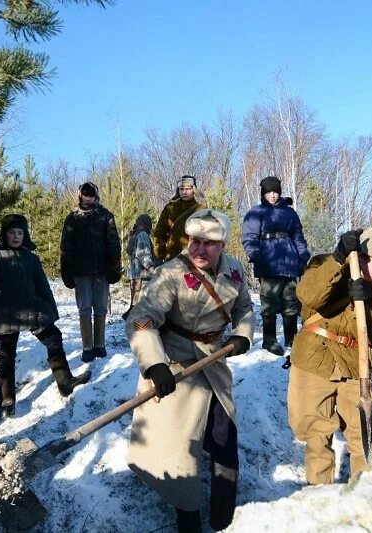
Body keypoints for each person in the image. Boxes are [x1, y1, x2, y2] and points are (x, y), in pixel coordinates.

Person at [125, 209, 255, 533]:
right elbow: (141, 318)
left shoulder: (235, 271)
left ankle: (224, 517)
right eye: (195, 241)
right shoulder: (170, 273)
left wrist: (242, 334)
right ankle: (188, 517)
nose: (199, 249)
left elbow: (244, 308)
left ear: (222, 244)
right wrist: (155, 363)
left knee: (224, 437)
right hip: (175, 366)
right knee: (181, 448)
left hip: (214, 362)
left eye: (209, 243)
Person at [288, 227, 372, 486]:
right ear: (362, 256)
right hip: (314, 358)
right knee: (316, 433)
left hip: (356, 362)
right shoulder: (324, 265)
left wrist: (365, 302)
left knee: (364, 433)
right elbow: (309, 297)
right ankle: (319, 494)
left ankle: (364, 494)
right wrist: (338, 259)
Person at [0, 214, 91, 419]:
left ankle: (65, 382)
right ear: (4, 234)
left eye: (20, 233)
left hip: (32, 309)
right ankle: (6, 402)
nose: (16, 236)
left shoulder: (31, 258)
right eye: (12, 232)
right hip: (6, 314)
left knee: (54, 338)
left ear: (25, 235)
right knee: (6, 357)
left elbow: (43, 286)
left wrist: (51, 310)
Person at [241, 176, 310, 362]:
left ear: (279, 192)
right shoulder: (256, 212)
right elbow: (249, 237)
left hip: (290, 262)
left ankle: (291, 338)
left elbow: (298, 236)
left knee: (291, 302)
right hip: (268, 262)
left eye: (275, 192)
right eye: (268, 192)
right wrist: (255, 255)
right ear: (263, 193)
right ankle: (269, 340)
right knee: (269, 304)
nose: (272, 195)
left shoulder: (289, 213)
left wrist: (303, 257)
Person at [60, 182, 122, 363]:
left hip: (101, 270)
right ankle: (87, 347)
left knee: (101, 308)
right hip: (80, 271)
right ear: (80, 195)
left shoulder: (106, 216)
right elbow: (65, 247)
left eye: (91, 194)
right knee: (84, 308)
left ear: (96, 195)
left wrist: (114, 266)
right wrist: (66, 270)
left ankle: (100, 345)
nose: (88, 197)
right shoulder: (72, 218)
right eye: (85, 194)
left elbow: (114, 243)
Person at [153, 175, 205, 263]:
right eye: (181, 189)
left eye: (188, 189)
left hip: (194, 258)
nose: (184, 192)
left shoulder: (202, 210)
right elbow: (159, 233)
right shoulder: (170, 208)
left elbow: (206, 236)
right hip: (171, 257)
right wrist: (159, 254)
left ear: (194, 190)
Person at [126, 213, 156, 309]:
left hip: (135, 277)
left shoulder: (134, 235)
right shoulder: (142, 235)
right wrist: (152, 269)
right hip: (142, 277)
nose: (150, 226)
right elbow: (143, 253)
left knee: (135, 306)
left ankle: (132, 318)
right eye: (149, 223)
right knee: (142, 308)